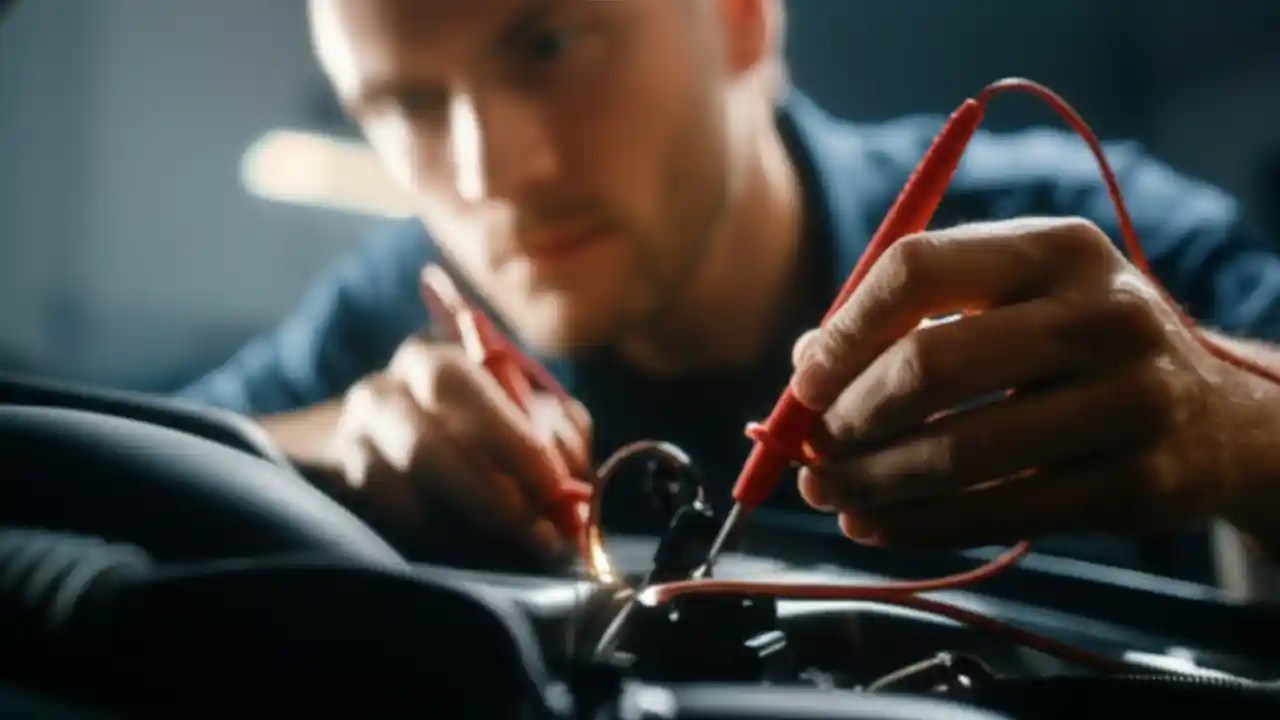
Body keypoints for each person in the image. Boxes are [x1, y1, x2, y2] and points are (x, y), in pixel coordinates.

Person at [181, 0, 1280, 571]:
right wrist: (324, 445)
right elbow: (108, 460)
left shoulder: (1095, 240)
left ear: (742, 16)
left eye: (548, 45)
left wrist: (1237, 423)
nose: (488, 175)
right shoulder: (392, 323)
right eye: (409, 106)